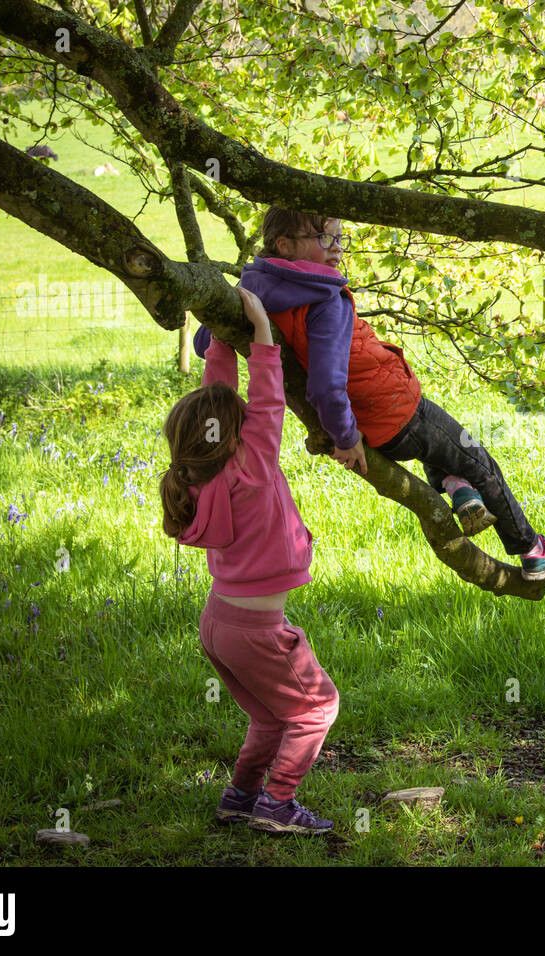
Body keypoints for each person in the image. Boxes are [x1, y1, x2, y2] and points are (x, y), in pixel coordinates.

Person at [197, 207, 545, 580]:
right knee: (479, 461)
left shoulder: (256, 287)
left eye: (339, 237)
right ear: (285, 245)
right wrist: (346, 438)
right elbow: (325, 384)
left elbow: (204, 337)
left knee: (444, 450)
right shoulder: (324, 299)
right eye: (325, 238)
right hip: (394, 413)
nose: (337, 247)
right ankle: (531, 549)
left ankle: (458, 490)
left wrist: (239, 311)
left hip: (370, 420)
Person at [162, 286, 338, 835]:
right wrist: (261, 329)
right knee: (315, 709)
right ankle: (277, 803)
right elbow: (267, 396)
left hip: (219, 623)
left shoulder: (205, 469)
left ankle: (240, 796)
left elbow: (217, 396)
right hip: (257, 631)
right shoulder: (254, 464)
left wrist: (218, 334)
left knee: (268, 714)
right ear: (239, 434)